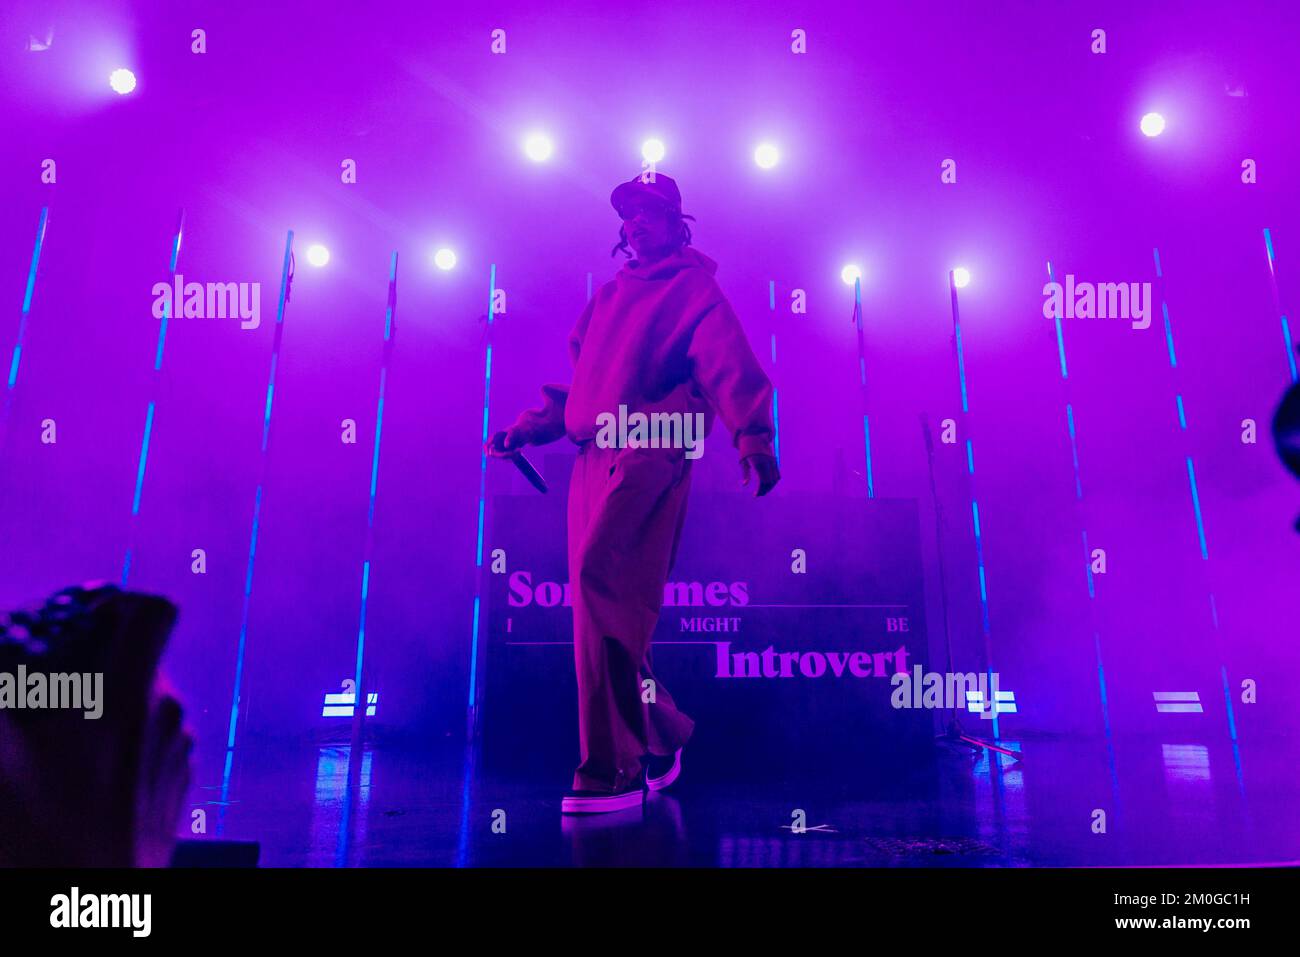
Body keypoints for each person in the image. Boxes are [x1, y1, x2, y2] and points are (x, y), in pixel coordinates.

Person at [486, 172, 780, 813]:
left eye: (650, 211)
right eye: (628, 213)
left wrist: (753, 440)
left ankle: (612, 767)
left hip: (654, 444)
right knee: (597, 612)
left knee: (600, 580)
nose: (636, 221)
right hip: (594, 456)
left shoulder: (695, 289)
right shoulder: (609, 297)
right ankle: (660, 729)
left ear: (679, 222)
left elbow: (730, 364)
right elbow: (583, 387)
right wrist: (528, 429)